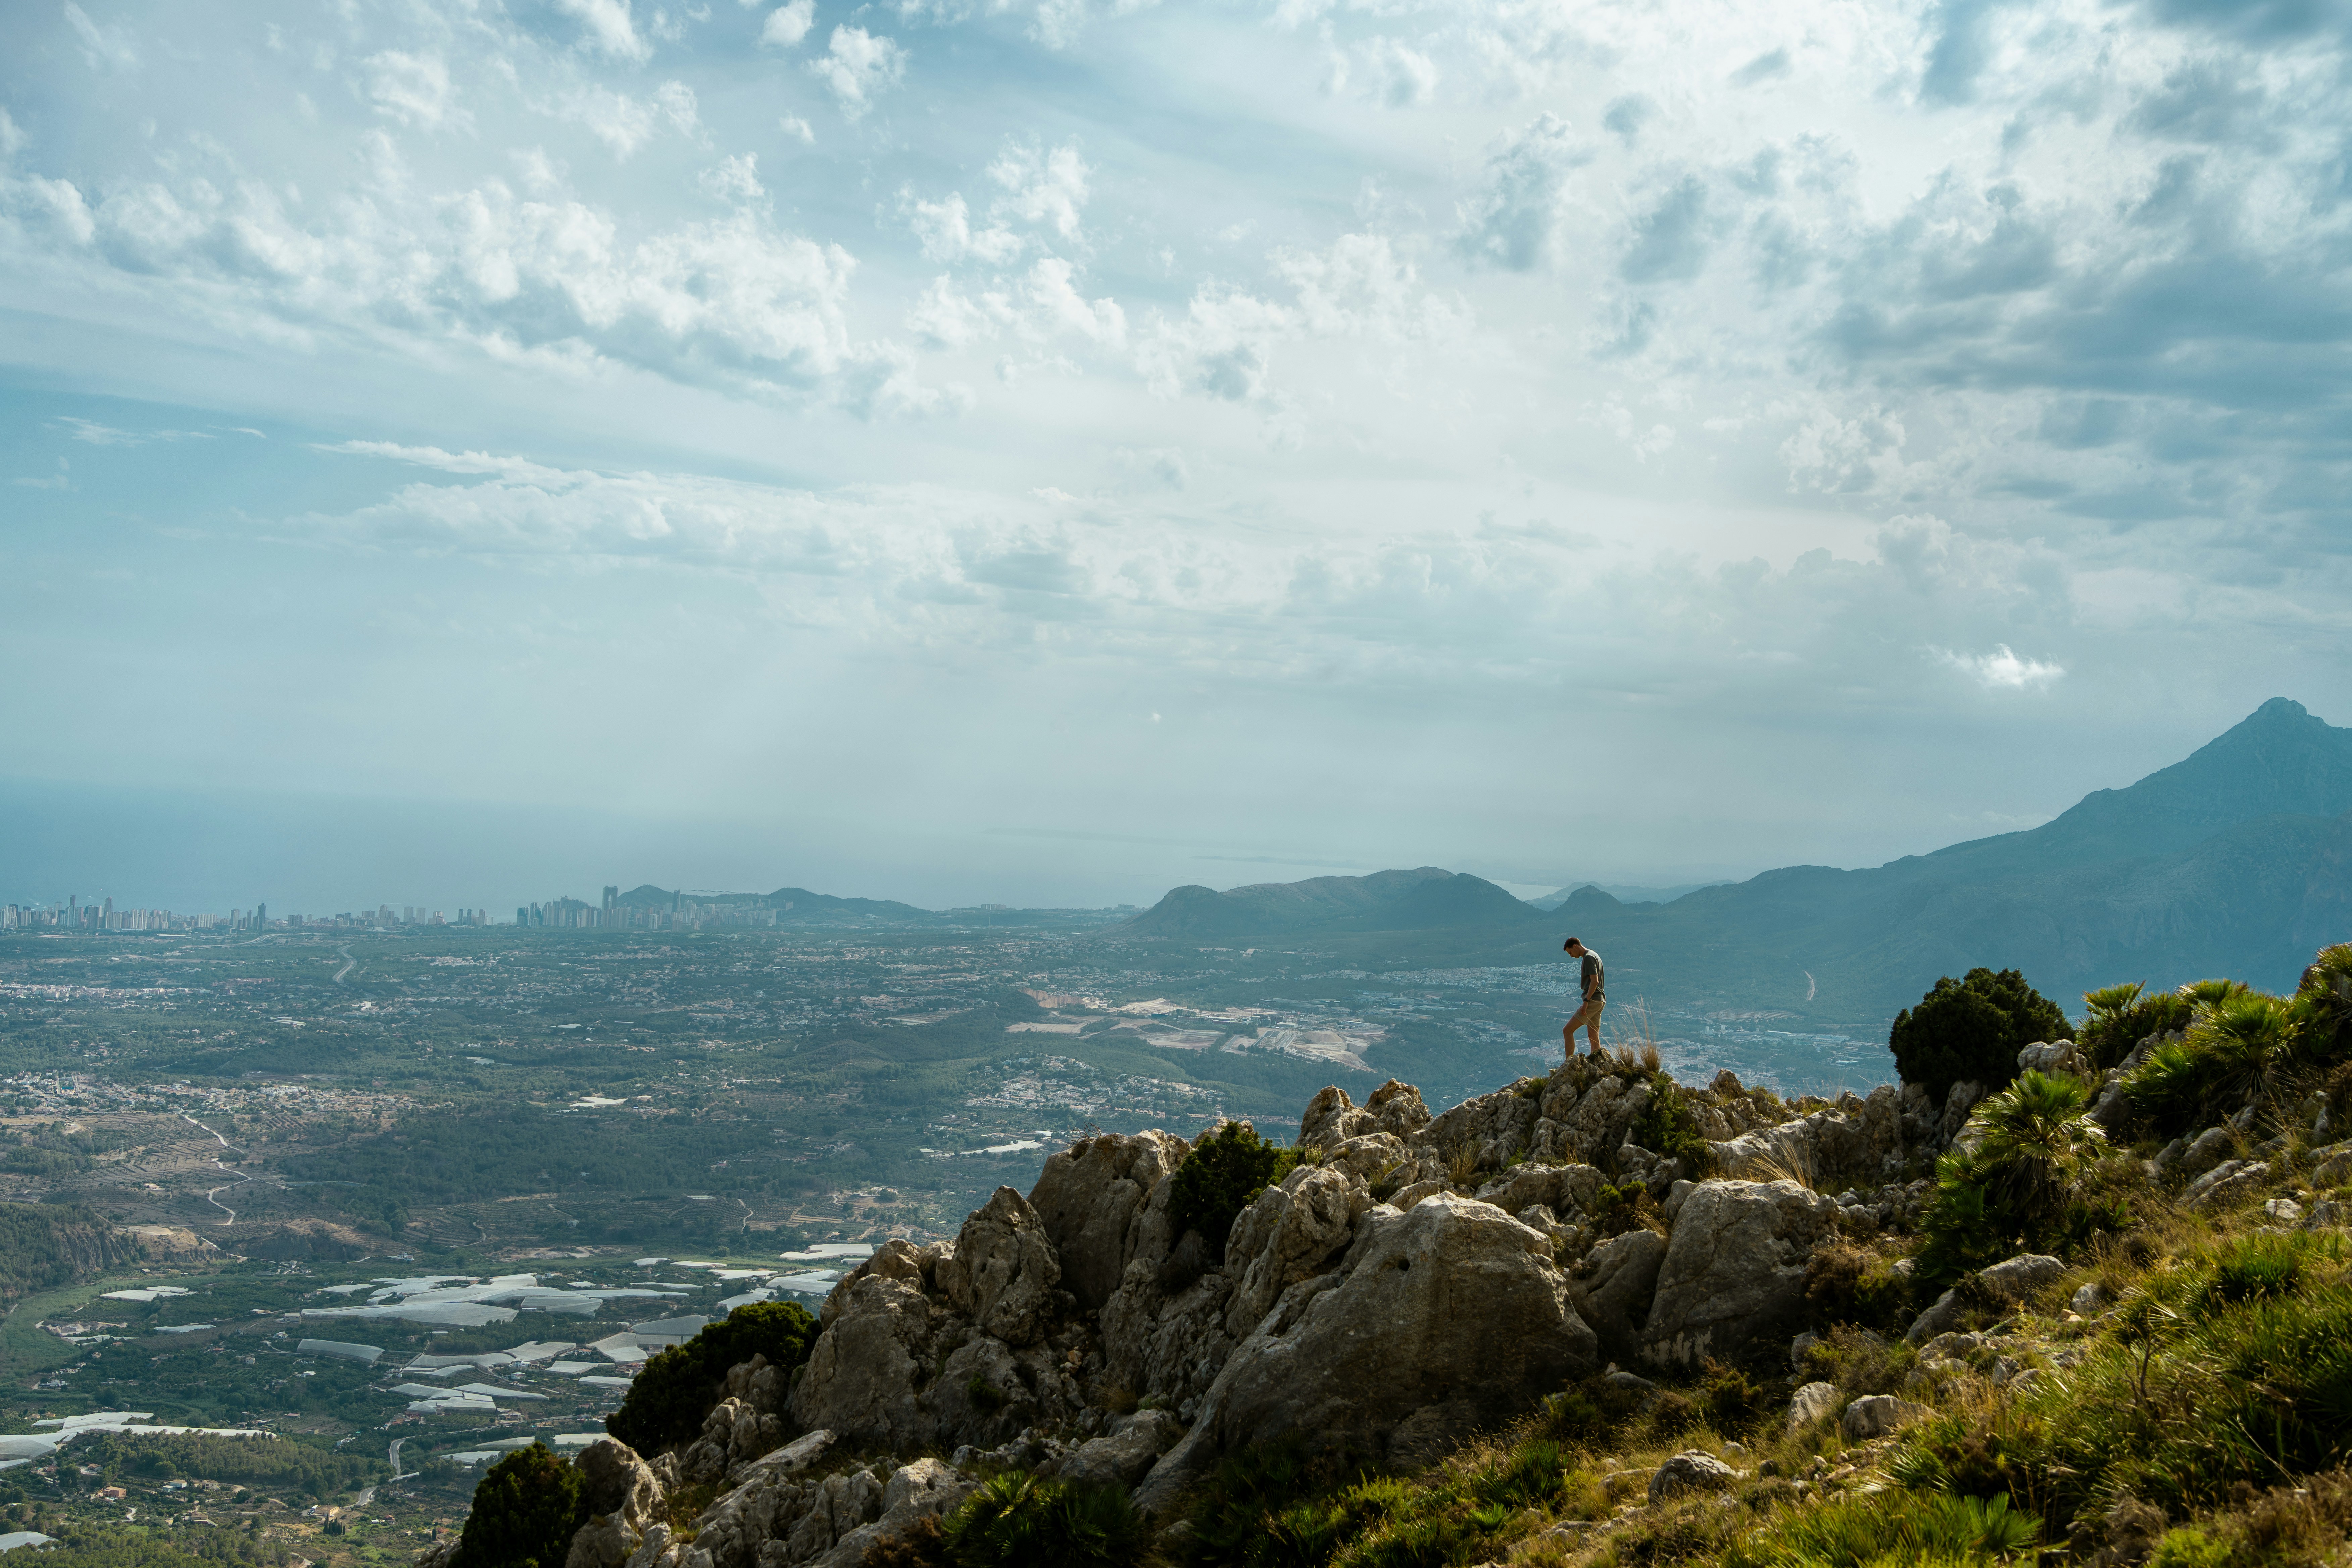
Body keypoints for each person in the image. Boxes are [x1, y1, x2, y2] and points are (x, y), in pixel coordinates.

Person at [1561, 937, 1605, 1058]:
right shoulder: (1594, 955)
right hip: (1600, 1000)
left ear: (1575, 946)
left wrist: (1586, 1001)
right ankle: (1597, 1061)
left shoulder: (1589, 958)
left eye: (1570, 952)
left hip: (1593, 1000)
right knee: (1593, 1035)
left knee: (1567, 1031)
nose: (1571, 956)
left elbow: (1595, 981)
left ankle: (1569, 1063)